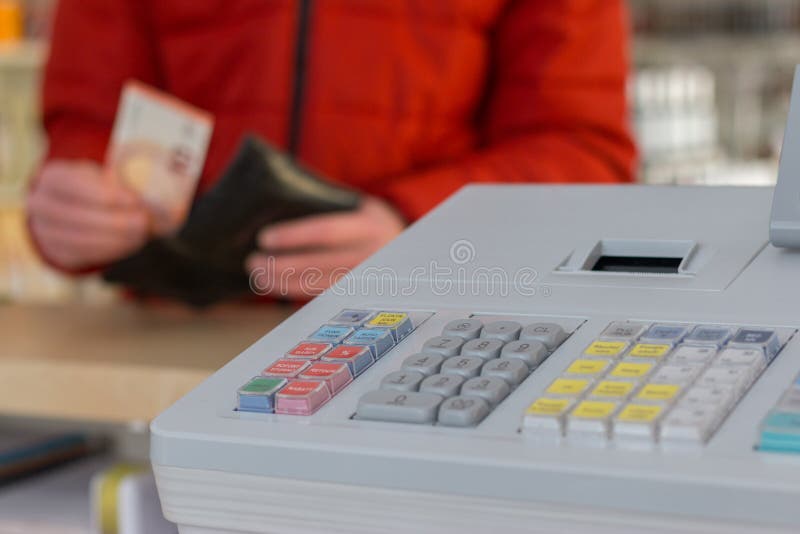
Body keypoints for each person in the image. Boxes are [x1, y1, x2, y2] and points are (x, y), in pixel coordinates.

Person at [27, 0, 636, 299]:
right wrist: (71, 208)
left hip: (423, 341)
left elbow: (584, 152)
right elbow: (87, 126)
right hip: (170, 354)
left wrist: (416, 228)